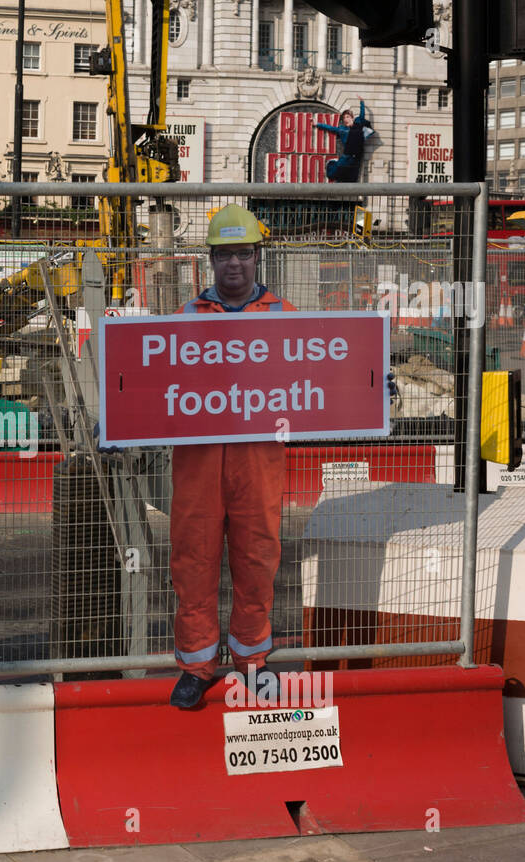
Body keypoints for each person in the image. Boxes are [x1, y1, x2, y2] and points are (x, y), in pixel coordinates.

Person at [169, 204, 293, 709]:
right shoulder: (186, 319)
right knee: (194, 561)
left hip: (258, 463)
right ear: (211, 261)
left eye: (243, 254)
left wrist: (366, 383)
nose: (234, 265)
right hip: (198, 465)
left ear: (257, 256)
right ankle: (197, 666)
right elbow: (154, 384)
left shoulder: (285, 319)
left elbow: (319, 378)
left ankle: (252, 661)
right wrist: (116, 415)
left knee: (256, 558)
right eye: (224, 256)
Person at [316, 100, 373, 184]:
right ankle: (332, 163)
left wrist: (362, 103)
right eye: (344, 118)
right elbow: (331, 128)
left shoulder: (358, 123)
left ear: (352, 118)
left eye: (347, 117)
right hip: (347, 155)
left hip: (356, 157)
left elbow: (362, 115)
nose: (346, 120)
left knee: (351, 178)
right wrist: (317, 124)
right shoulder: (343, 129)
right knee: (333, 173)